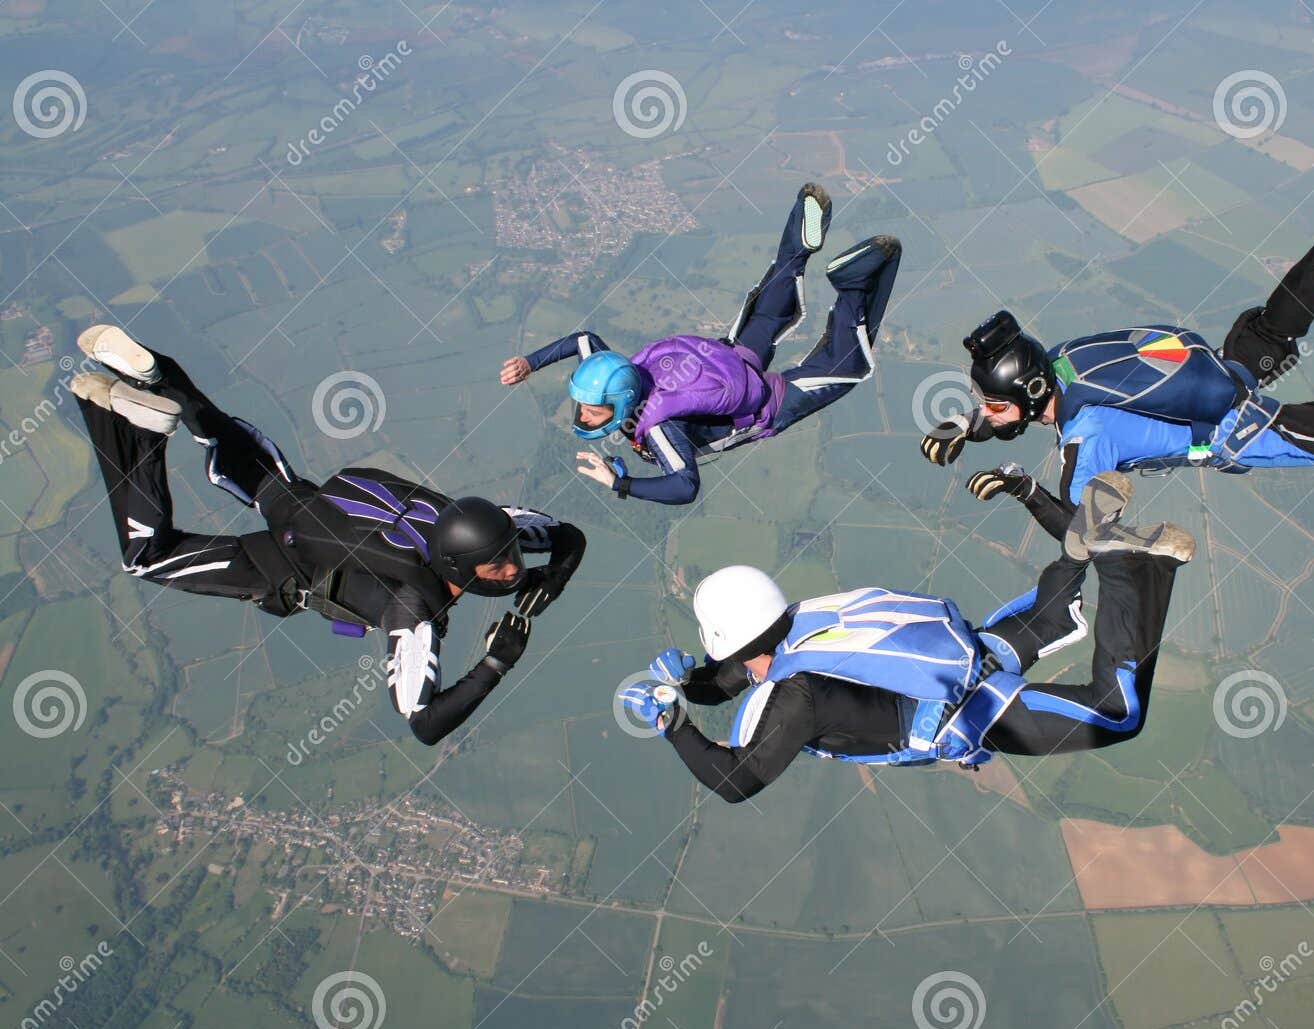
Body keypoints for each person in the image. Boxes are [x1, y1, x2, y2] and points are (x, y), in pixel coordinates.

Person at [69, 325, 585, 745]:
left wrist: (553, 578)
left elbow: (568, 535)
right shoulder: (414, 610)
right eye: (499, 565)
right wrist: (496, 663)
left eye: (512, 554)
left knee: (214, 425)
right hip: (284, 566)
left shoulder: (474, 523)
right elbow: (424, 724)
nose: (515, 568)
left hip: (300, 500)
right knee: (146, 557)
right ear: (458, 567)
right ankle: (140, 438)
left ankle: (152, 373)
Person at [616, 472, 1192, 803]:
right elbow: (729, 678)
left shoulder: (795, 696)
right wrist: (687, 684)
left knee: (1117, 712)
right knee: (1048, 612)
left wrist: (675, 728)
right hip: (973, 652)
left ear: (744, 646)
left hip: (976, 712)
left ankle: (1134, 567)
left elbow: (736, 780)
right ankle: (1077, 530)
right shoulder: (799, 624)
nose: (744, 673)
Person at [919, 199, 1314, 506]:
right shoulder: (1062, 359)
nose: (986, 411)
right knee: (1268, 339)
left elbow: (1076, 533)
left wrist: (1023, 489)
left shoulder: (1084, 440)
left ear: (1030, 391)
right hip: (1217, 364)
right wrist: (968, 428)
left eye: (991, 404)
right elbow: (1018, 402)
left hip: (1234, 428)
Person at [501, 184, 901, 505]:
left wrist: (620, 486)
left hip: (768, 405)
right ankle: (798, 240)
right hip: (727, 360)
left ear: (622, 402)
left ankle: (853, 285)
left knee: (846, 367)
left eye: (591, 411)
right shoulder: (617, 372)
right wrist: (530, 363)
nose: (584, 416)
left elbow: (684, 487)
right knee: (765, 317)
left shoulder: (660, 429)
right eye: (586, 409)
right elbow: (583, 340)